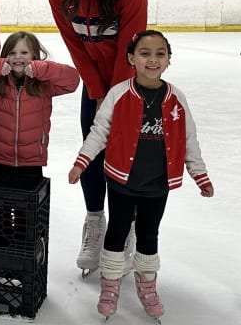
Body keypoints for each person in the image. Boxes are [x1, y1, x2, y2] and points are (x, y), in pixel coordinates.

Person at [68, 30, 214, 320]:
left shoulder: (176, 98)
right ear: (131, 58)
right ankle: (110, 286)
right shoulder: (119, 93)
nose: (153, 59)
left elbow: (188, 139)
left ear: (169, 60)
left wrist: (200, 174)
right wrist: (82, 161)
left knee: (149, 234)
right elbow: (99, 131)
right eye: (145, 53)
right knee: (118, 231)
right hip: (122, 180)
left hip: (158, 184)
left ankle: (147, 287)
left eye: (160, 53)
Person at [48, 0, 148, 274]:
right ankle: (94, 224)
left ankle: (130, 229)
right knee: (91, 156)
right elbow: (75, 46)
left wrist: (118, 97)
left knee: (126, 161)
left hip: (132, 88)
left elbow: (131, 47)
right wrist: (96, 91)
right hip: (95, 89)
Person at [0, 31, 79, 177]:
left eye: (24, 52)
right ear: (5, 56)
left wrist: (43, 69)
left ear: (34, 56)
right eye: (12, 52)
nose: (18, 57)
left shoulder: (44, 84)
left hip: (32, 162)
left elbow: (73, 81)